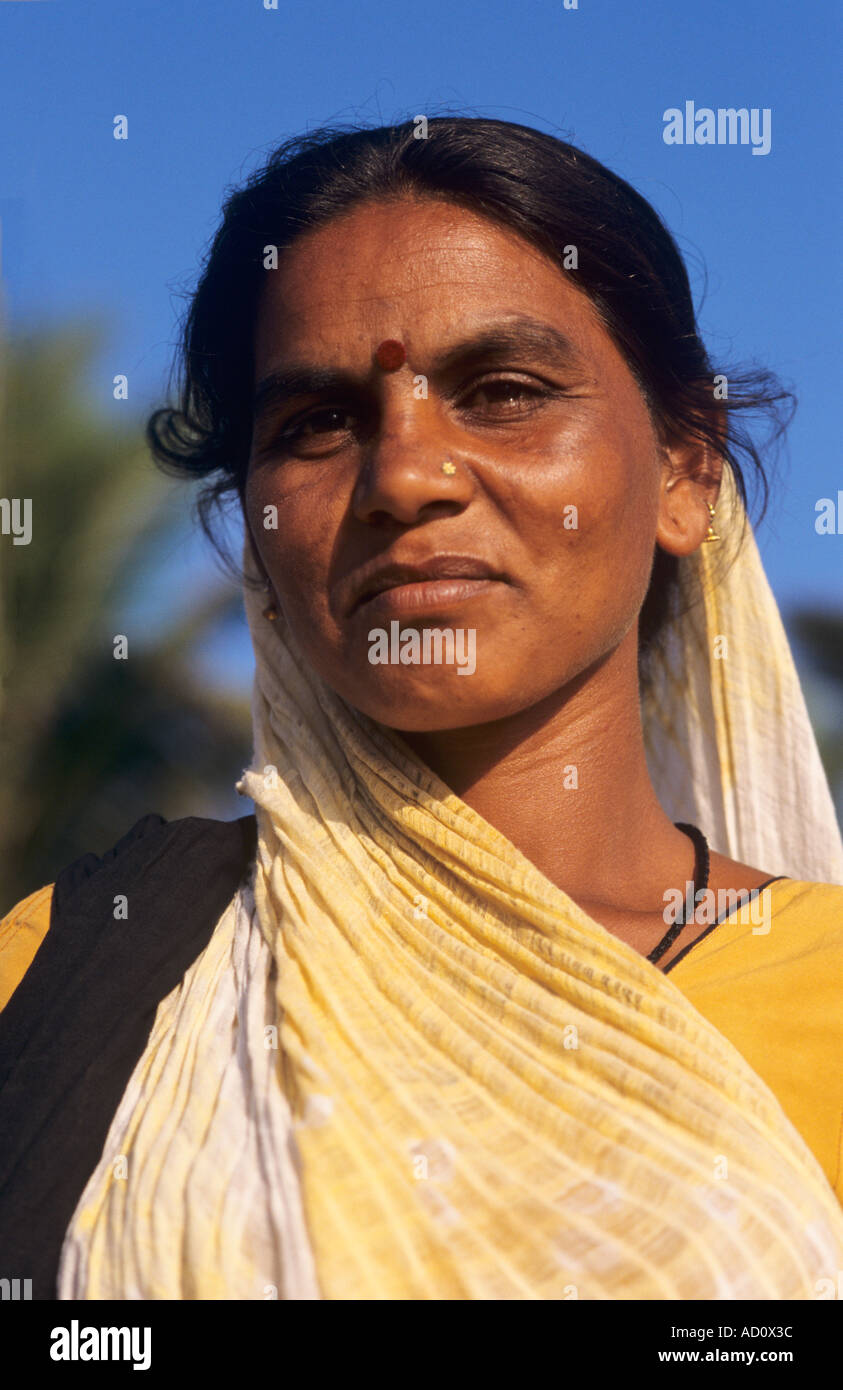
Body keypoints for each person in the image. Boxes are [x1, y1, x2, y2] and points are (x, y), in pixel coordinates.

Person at [1, 116, 842, 1301]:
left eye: (502, 391)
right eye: (318, 423)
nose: (404, 476)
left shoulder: (824, 989)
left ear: (684, 473)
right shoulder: (76, 969)